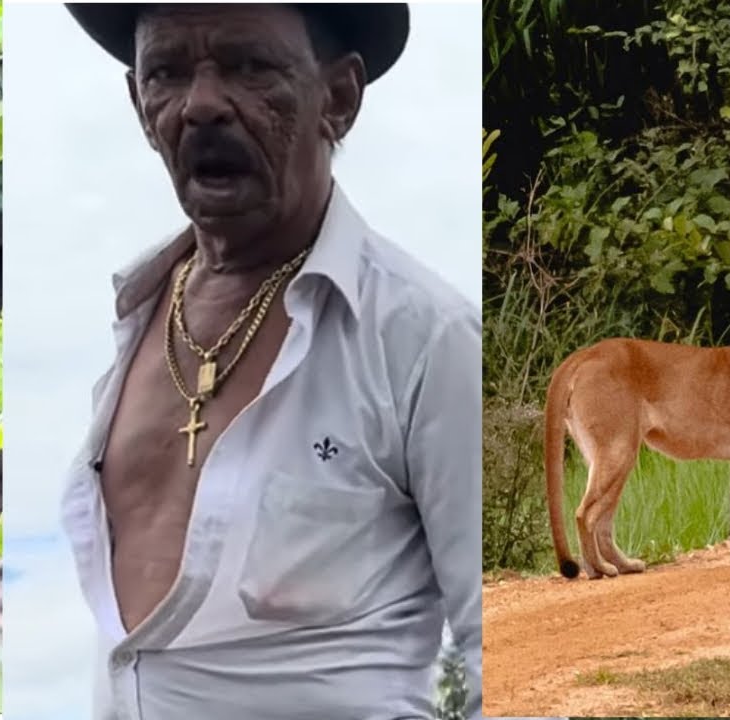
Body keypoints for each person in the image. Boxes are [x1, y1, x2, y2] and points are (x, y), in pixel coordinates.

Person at [58, 4, 482, 718]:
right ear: (138, 101)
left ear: (338, 99)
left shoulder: (423, 337)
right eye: (166, 72)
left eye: (249, 66)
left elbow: (496, 648)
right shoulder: (135, 316)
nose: (201, 106)